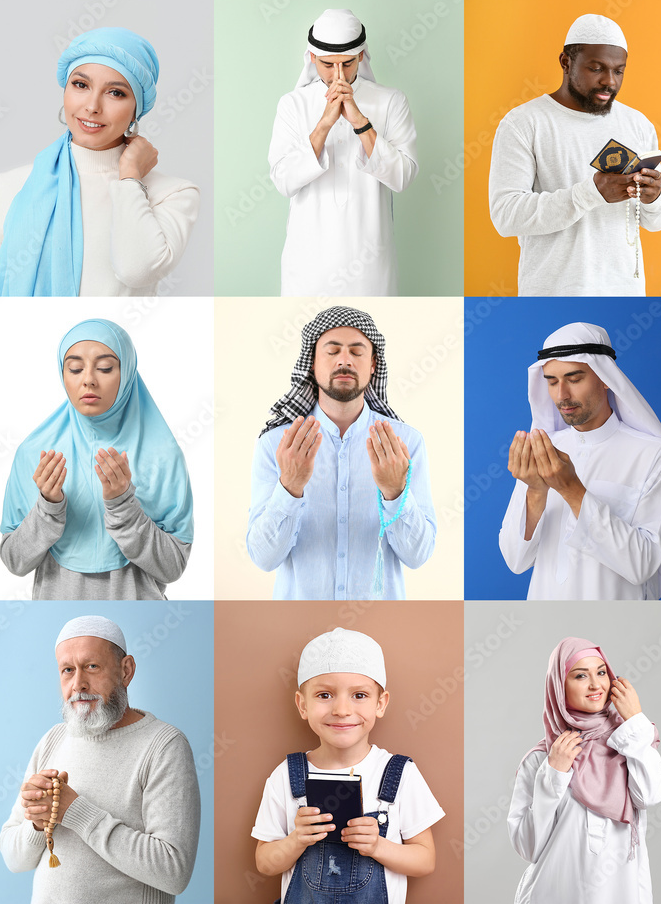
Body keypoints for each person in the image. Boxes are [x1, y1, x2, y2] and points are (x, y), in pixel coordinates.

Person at [0, 27, 199, 296]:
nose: (92, 106)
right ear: (65, 90)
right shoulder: (8, 187)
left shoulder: (172, 194)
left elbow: (136, 270)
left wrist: (130, 178)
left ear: (137, 109)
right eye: (81, 85)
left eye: (115, 92)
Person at [0, 615, 201, 903]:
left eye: (91, 667)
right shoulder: (53, 740)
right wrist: (38, 825)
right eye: (68, 670)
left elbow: (173, 871)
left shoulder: (164, 746)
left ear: (126, 670)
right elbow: (13, 859)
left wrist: (76, 811)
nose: (79, 683)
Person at [246, 306, 436, 600]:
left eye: (357, 352)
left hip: (378, 626)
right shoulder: (276, 445)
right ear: (312, 363)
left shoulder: (405, 445)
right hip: (296, 627)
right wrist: (290, 487)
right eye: (332, 351)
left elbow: (418, 556)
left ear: (373, 364)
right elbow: (263, 558)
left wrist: (395, 492)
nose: (344, 360)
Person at [0, 318, 193, 599]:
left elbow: (173, 567)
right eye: (75, 368)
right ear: (62, 373)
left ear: (126, 372)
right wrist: (48, 507)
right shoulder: (35, 452)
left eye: (104, 368)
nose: (88, 379)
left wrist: (123, 505)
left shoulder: (163, 454)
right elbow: (14, 560)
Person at [252, 627, 443, 903]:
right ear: (302, 705)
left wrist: (378, 846)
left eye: (359, 695)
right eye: (325, 695)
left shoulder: (400, 774)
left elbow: (425, 860)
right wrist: (297, 840)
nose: (342, 710)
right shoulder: (285, 775)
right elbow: (264, 863)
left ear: (381, 703)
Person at [489, 13, 661, 295]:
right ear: (566, 62)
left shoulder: (638, 124)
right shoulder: (524, 123)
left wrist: (655, 196)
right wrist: (590, 193)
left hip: (625, 293)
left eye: (618, 70)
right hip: (552, 293)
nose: (609, 81)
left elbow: (657, 221)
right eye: (596, 68)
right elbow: (505, 216)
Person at [499, 322, 661, 600]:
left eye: (574, 379)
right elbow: (515, 561)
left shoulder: (654, 453)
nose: (562, 395)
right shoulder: (544, 449)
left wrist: (572, 489)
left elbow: (642, 565)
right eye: (552, 382)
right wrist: (536, 491)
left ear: (606, 377)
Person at [508, 637, 661, 903]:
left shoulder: (631, 740)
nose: (596, 685)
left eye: (601, 672)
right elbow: (528, 847)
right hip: (553, 893)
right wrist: (554, 775)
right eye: (580, 675)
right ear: (559, 687)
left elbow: (649, 795)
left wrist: (635, 721)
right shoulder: (542, 758)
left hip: (623, 893)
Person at [268, 9, 418, 296]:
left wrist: (360, 122)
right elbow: (283, 181)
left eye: (347, 63)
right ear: (312, 58)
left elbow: (402, 177)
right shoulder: (292, 104)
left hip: (372, 268)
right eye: (327, 64)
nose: (338, 75)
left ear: (361, 56)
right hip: (307, 269)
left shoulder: (391, 102)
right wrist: (325, 123)